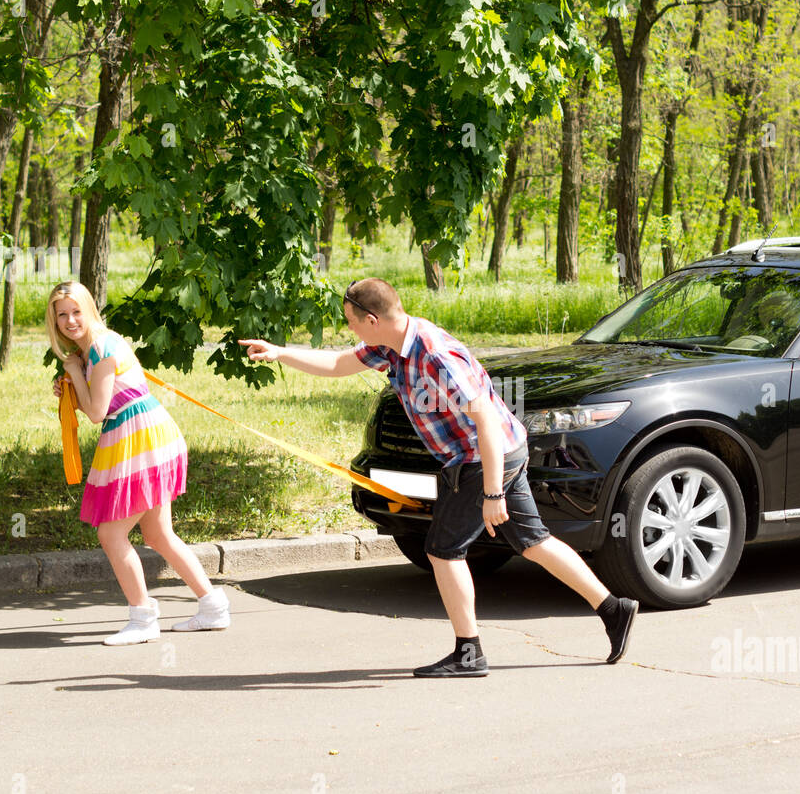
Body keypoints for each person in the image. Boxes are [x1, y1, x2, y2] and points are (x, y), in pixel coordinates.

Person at [239, 277, 638, 677]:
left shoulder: (435, 356)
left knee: (443, 550)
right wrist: (280, 353)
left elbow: (484, 420)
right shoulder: (391, 345)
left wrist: (493, 493)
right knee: (533, 542)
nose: (351, 330)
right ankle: (613, 609)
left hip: (482, 457)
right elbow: (339, 364)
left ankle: (469, 654)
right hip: (493, 452)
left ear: (373, 319)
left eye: (352, 322)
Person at [46, 281, 231, 644]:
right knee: (159, 534)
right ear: (54, 321)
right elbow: (99, 402)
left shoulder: (99, 346)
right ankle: (213, 607)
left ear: (89, 309)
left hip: (139, 440)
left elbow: (98, 412)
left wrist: (72, 375)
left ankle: (143, 618)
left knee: (111, 532)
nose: (70, 321)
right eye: (62, 315)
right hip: (144, 434)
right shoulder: (90, 351)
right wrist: (71, 386)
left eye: (76, 311)